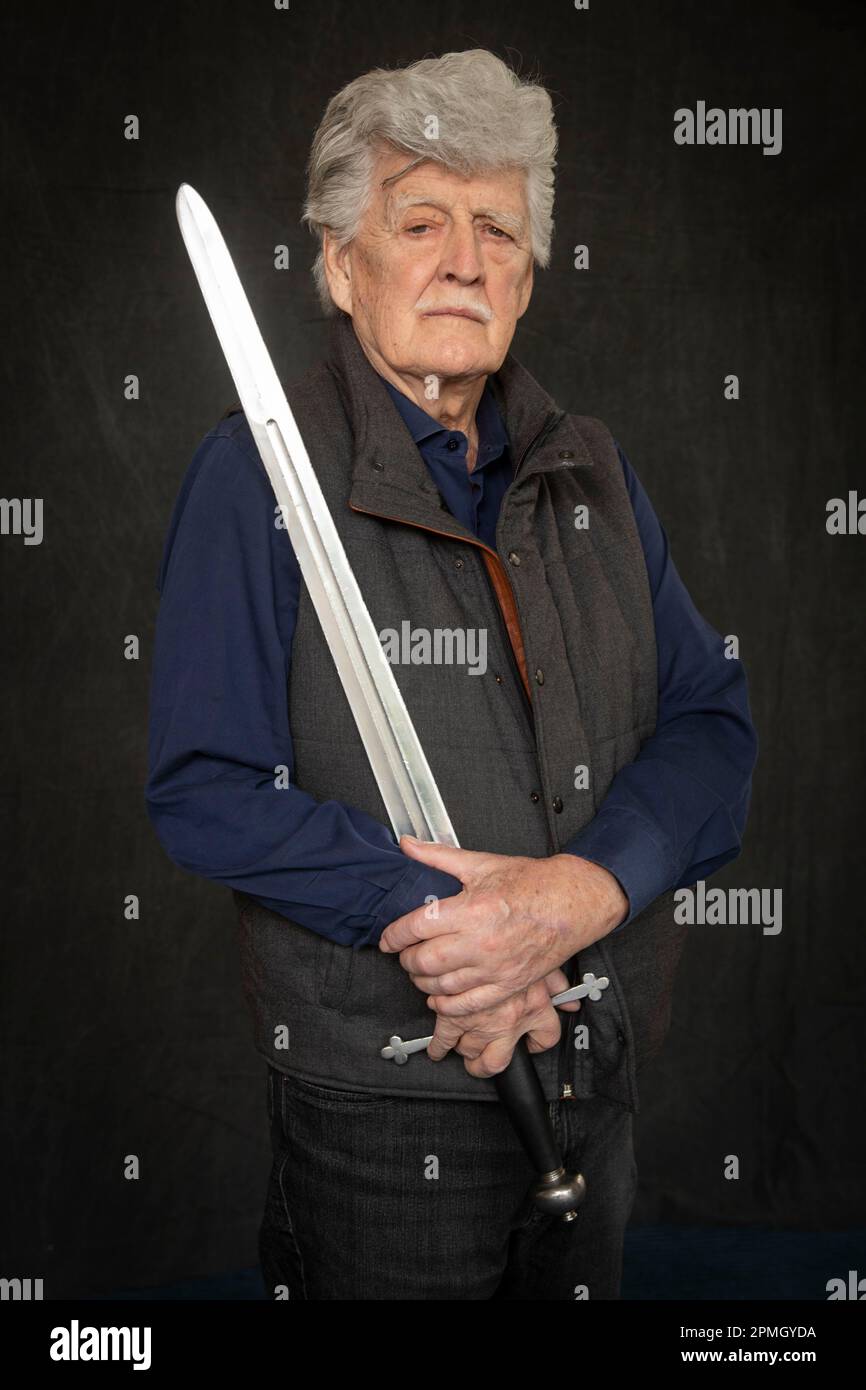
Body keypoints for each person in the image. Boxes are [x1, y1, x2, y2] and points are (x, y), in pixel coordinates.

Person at [145, 49, 758, 1300]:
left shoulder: (593, 472)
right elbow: (203, 789)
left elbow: (711, 729)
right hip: (383, 1111)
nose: (464, 259)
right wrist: (457, 928)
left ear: (530, 276)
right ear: (337, 263)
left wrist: (578, 895)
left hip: (594, 1069)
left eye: (496, 228)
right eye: (418, 220)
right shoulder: (256, 472)